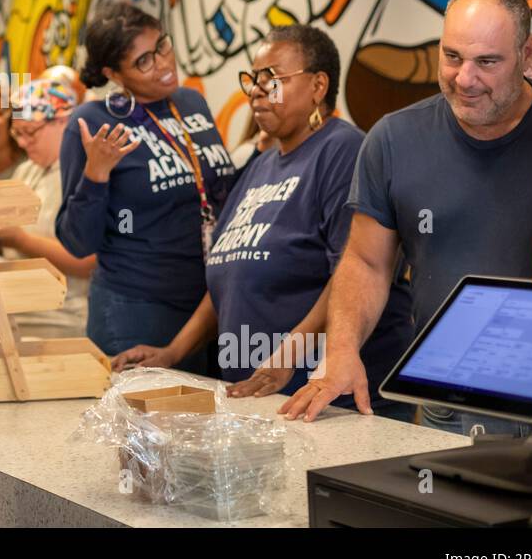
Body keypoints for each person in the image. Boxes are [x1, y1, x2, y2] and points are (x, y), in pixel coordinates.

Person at [281, 0, 532, 434]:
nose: (465, 78)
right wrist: (341, 349)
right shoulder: (394, 139)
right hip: (444, 403)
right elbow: (367, 262)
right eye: (452, 56)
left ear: (527, 52)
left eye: (487, 62)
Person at [113, 26, 414, 418]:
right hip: (261, 403)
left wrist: (290, 352)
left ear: (318, 85)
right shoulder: (260, 166)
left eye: (271, 79)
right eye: (253, 80)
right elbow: (229, 277)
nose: (256, 90)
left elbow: (352, 270)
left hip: (332, 406)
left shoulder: (343, 150)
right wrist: (172, 352)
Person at [56, 2, 235, 372]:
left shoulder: (191, 103)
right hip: (136, 309)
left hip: (208, 305)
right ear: (113, 73)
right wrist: (96, 175)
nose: (164, 64)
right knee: (145, 429)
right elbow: (77, 242)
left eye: (163, 47)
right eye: (143, 61)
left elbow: (217, 188)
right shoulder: (93, 123)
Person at [0, 78, 95, 338]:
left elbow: (87, 262)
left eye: (30, 131)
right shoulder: (25, 171)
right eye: (16, 133)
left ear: (63, 122)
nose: (23, 143)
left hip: (66, 321)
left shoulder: (88, 174)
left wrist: (20, 239)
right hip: (18, 316)